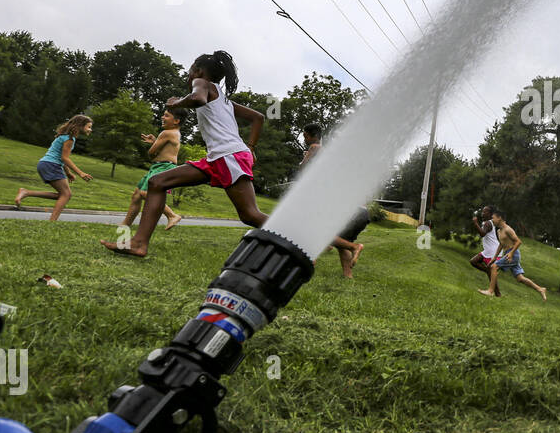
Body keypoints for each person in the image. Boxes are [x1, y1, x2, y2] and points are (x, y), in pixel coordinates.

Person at [103, 50, 357, 260]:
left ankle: (325, 240)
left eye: (192, 69)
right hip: (220, 158)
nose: (189, 74)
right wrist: (252, 149)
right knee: (158, 182)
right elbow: (257, 118)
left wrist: (176, 103)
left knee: (251, 215)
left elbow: (198, 99)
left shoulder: (202, 85)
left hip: (228, 157)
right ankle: (138, 244)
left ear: (200, 72)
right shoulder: (223, 98)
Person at [299, 123, 364, 278]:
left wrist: (304, 160)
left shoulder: (314, 148)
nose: (304, 138)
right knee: (337, 237)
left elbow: (302, 169)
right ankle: (348, 276)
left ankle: (312, 258)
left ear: (310, 135)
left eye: (305, 135)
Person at [14, 115, 94, 220]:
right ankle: (52, 221)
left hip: (45, 164)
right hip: (51, 165)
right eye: (88, 127)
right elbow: (65, 158)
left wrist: (68, 173)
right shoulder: (70, 139)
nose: (90, 129)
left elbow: (61, 158)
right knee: (66, 195)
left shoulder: (64, 136)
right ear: (80, 126)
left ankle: (26, 192)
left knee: (62, 195)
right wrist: (80, 173)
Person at [119, 109, 184, 231]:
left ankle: (172, 215)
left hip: (163, 167)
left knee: (145, 193)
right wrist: (155, 141)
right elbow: (165, 149)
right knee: (137, 195)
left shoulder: (166, 132)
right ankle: (124, 225)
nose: (162, 117)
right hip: (160, 166)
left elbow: (151, 152)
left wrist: (153, 146)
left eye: (166, 116)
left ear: (176, 121)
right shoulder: (175, 132)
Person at [479, 209, 547, 300]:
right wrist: (494, 257)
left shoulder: (508, 229)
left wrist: (511, 253)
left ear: (499, 218)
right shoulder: (499, 231)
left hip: (513, 254)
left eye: (493, 218)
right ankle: (540, 289)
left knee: (494, 267)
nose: (492, 220)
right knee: (520, 278)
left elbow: (518, 242)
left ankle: (490, 291)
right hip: (509, 253)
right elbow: (501, 244)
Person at [469, 204, 502, 295]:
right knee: (473, 261)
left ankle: (497, 293)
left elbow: (482, 234)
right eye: (482, 211)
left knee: (491, 272)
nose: (482, 213)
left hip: (493, 251)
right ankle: (497, 293)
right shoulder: (487, 223)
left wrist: (475, 223)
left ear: (491, 214)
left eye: (485, 212)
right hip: (488, 251)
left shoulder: (488, 223)